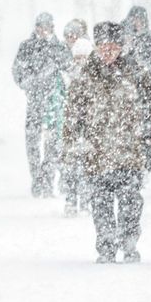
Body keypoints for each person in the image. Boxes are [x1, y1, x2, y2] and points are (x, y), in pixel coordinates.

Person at [63, 21, 151, 263]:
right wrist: (72, 143)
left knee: (130, 201)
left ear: (121, 47)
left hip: (130, 152)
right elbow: (72, 115)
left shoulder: (136, 74)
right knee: (100, 204)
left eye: (113, 46)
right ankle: (106, 245)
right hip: (97, 155)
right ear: (96, 48)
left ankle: (129, 241)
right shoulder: (85, 78)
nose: (108, 51)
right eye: (103, 46)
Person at [12, 12, 72, 197]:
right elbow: (17, 71)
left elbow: (68, 66)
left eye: (47, 27)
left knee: (53, 144)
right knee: (32, 142)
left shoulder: (59, 47)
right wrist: (30, 84)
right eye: (41, 26)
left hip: (54, 103)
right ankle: (36, 179)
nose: (44, 30)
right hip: (35, 102)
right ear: (36, 27)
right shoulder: (27, 47)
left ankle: (47, 180)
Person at [59, 36, 95, 216]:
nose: (81, 61)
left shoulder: (96, 78)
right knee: (71, 168)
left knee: (88, 167)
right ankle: (71, 200)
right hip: (71, 129)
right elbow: (63, 104)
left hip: (90, 129)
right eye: (78, 57)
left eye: (84, 57)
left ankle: (86, 202)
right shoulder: (68, 78)